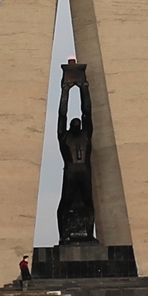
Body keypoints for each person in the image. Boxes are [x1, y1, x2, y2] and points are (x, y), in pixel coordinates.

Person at [56, 79, 95, 242]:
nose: (77, 123)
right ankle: (64, 235)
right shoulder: (64, 136)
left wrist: (84, 88)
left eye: (78, 122)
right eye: (74, 122)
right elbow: (62, 115)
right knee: (66, 202)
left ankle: (89, 233)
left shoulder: (86, 134)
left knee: (88, 202)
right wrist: (65, 91)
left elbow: (87, 112)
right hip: (71, 171)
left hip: (84, 172)